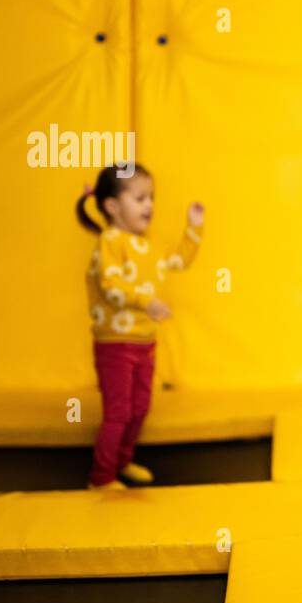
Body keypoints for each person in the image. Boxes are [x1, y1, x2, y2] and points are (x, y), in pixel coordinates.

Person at [76, 164, 204, 489]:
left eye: (151, 198)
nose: (149, 206)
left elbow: (179, 260)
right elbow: (111, 286)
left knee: (139, 408)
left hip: (144, 341)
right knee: (118, 411)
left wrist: (194, 229)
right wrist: (148, 303)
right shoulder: (111, 241)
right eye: (140, 198)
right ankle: (101, 477)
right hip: (115, 344)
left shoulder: (149, 245)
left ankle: (122, 461)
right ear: (113, 206)